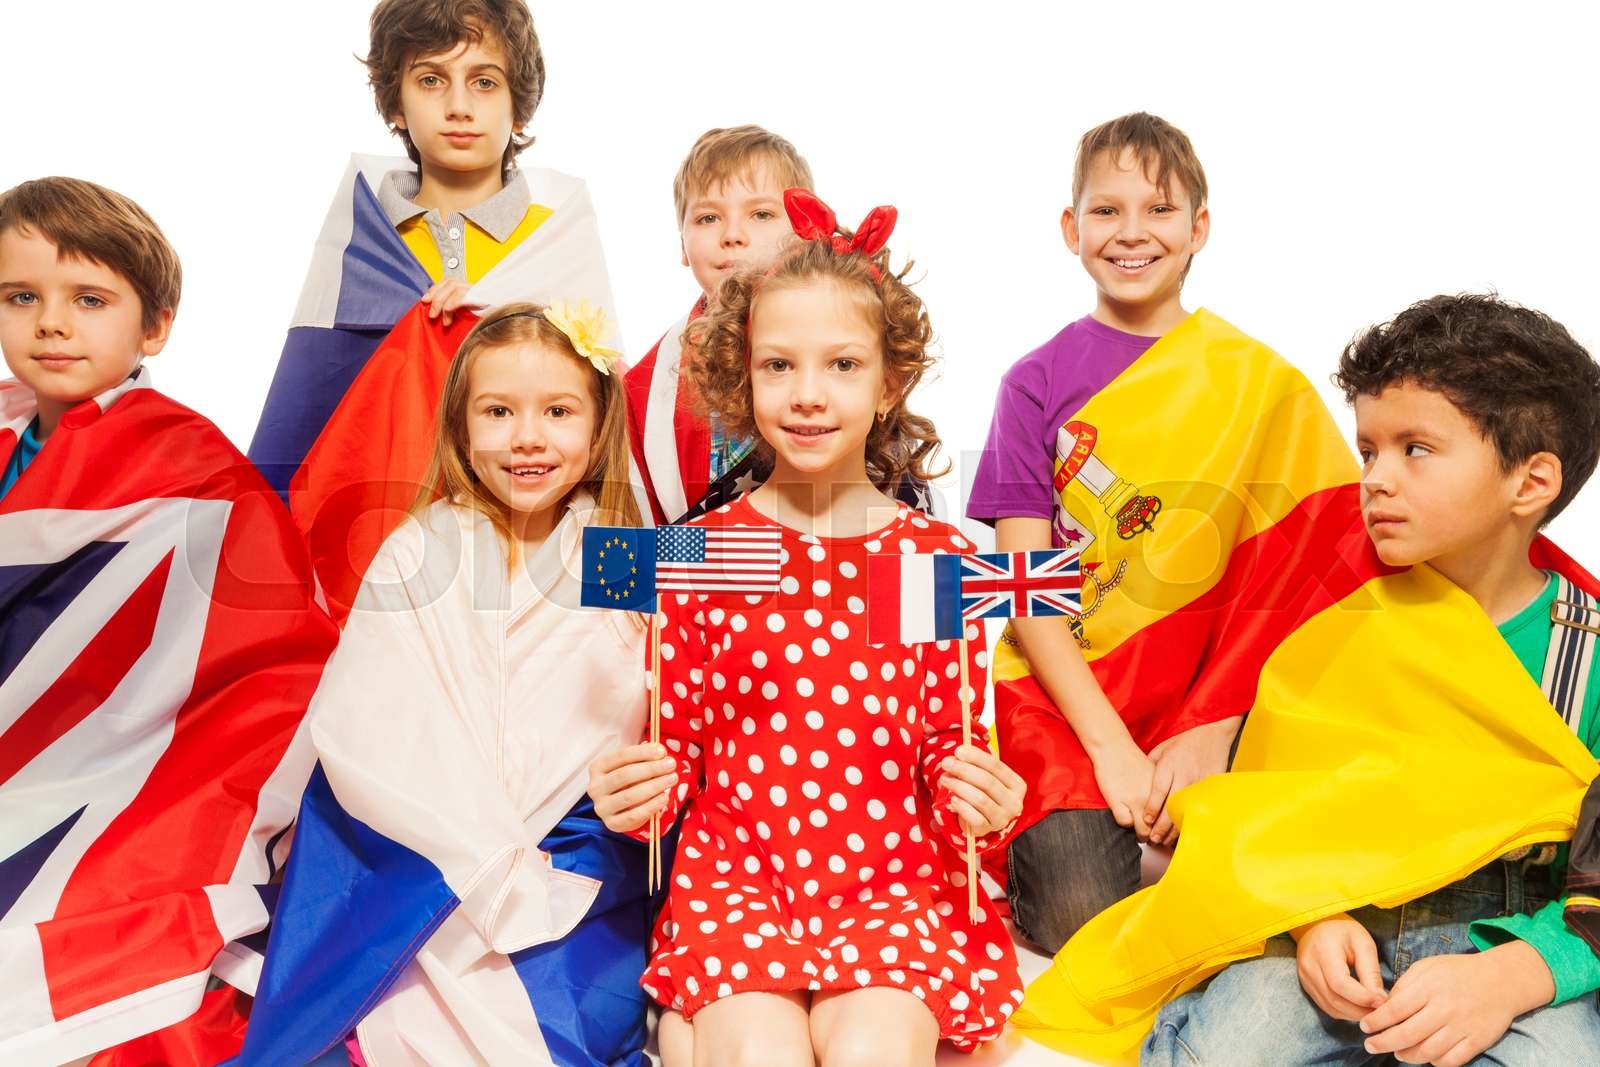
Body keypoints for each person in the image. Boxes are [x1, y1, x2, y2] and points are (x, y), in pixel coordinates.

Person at [590, 190, 1025, 1066]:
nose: (808, 395)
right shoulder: (705, 555)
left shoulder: (929, 557)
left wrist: (981, 792)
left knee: (875, 1048)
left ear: (889, 379)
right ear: (742, 377)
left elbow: (945, 731)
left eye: (842, 365)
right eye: (779, 366)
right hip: (739, 884)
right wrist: (637, 790)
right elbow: (682, 743)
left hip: (889, 885)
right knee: (760, 1052)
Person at [1139, 294, 1600, 1066]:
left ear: (1531, 482)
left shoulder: (1583, 654)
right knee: (1221, 1050)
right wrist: (1311, 921)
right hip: (1337, 933)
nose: (1376, 479)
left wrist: (1514, 975)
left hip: (1510, 947)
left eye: (1415, 449)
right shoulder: (1337, 624)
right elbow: (1272, 814)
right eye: (1367, 451)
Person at [966, 111, 1357, 952]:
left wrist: (1214, 723)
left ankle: (1201, 871)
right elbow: (1024, 589)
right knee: (1075, 908)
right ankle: (1177, 877)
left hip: (1213, 694)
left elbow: (1319, 564)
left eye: (1160, 209)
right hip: (1068, 692)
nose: (1132, 233)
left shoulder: (1262, 380)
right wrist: (1110, 750)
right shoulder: (1032, 383)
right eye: (1106, 211)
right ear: (1071, 230)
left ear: (1199, 227)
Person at [241, 302, 655, 1067]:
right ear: (461, 425)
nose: (527, 437)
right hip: (415, 860)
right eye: (498, 411)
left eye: (558, 411)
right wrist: (485, 858)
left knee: (562, 1027)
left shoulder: (630, 553)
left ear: (599, 424)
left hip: (576, 864)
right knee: (364, 1029)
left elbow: (692, 679)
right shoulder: (418, 548)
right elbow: (366, 726)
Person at [0, 177, 336, 1064]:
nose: (52, 324)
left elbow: (277, 659)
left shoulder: (196, 470)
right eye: (21, 297)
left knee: (90, 946)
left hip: (125, 786)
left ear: (155, 326)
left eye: (90, 300)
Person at [247, 0, 616, 619]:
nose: (459, 106)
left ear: (517, 103)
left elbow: (609, 437)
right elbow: (304, 418)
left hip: (526, 570)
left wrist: (626, 614)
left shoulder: (557, 237)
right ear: (396, 103)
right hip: (382, 555)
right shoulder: (357, 244)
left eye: (484, 81)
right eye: (430, 80)